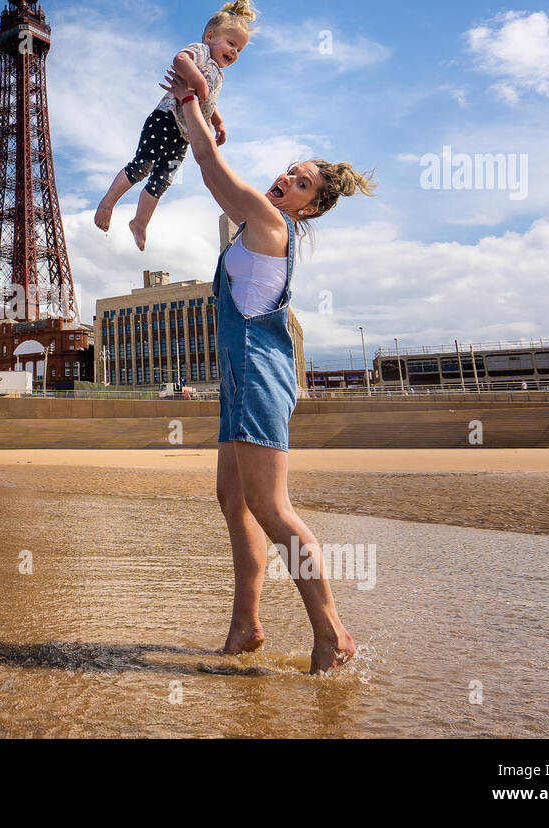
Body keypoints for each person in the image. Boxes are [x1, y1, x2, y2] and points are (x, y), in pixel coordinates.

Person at [160, 66, 375, 673]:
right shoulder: (259, 222)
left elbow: (206, 166)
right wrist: (195, 109)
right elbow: (204, 155)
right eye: (290, 171)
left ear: (310, 207)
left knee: (272, 506)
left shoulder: (270, 222)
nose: (286, 180)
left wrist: (192, 104)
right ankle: (246, 624)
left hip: (257, 373)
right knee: (233, 497)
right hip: (239, 375)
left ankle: (332, 632)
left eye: (301, 182)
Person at [94, 0, 255, 251]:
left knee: (163, 179)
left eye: (240, 50)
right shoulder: (201, 52)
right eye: (231, 43)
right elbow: (180, 59)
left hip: (183, 135)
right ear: (210, 36)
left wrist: (219, 121)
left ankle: (139, 222)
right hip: (165, 119)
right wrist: (198, 82)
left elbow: (208, 103)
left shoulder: (218, 74)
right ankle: (108, 202)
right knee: (141, 165)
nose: (234, 52)